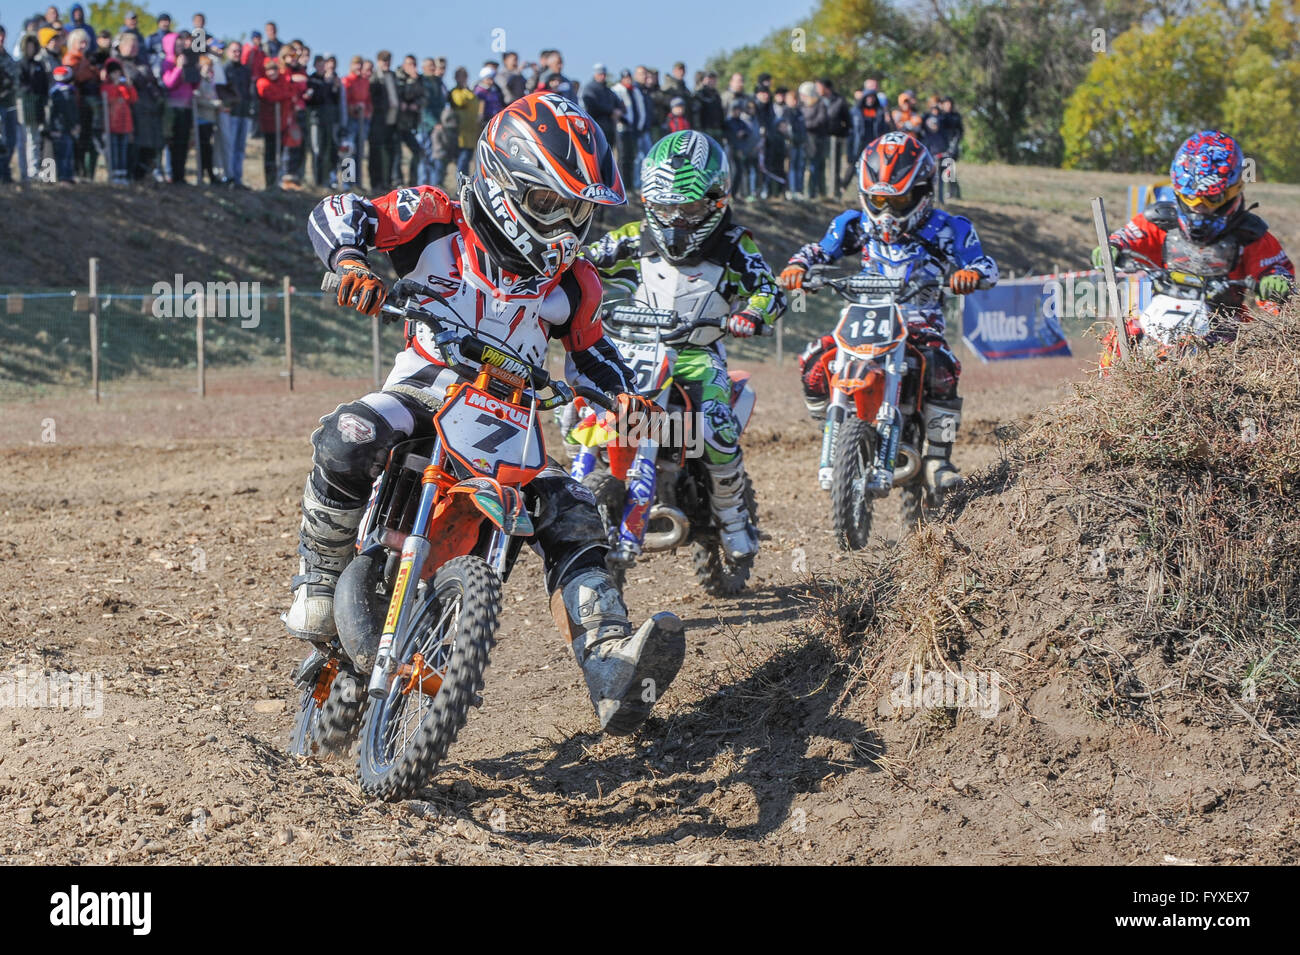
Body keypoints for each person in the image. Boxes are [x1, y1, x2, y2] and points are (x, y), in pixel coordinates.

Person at [293, 91, 684, 735]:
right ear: (506, 185)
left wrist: (624, 396)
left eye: (578, 211)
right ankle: (317, 581)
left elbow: (592, 354)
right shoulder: (435, 220)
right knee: (351, 434)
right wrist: (350, 260)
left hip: (511, 427)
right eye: (551, 204)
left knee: (576, 509)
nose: (564, 226)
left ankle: (610, 661)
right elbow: (342, 210)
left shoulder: (573, 282)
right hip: (425, 392)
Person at [584, 130, 786, 561]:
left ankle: (733, 519)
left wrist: (751, 313)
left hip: (698, 354)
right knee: (581, 404)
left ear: (716, 198)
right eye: (664, 207)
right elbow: (582, 260)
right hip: (635, 350)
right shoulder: (634, 236)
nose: (676, 219)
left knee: (714, 424)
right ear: (647, 203)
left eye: (689, 207)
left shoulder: (734, 244)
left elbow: (771, 290)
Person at [780, 132, 999, 498]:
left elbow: (985, 264)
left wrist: (970, 274)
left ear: (923, 191)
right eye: (878, 199)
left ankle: (938, 460)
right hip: (863, 316)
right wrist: (798, 266)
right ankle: (835, 428)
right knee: (814, 360)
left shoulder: (949, 228)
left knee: (941, 364)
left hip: (919, 317)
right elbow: (819, 251)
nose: (886, 212)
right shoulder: (855, 225)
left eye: (897, 200)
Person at [1092, 130, 1293, 362]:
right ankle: (1110, 392)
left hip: (1225, 327)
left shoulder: (1251, 234)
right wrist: (1110, 248)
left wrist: (1274, 281)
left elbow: (1277, 270)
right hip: (1162, 310)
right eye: (1191, 198)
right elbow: (1125, 238)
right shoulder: (1161, 221)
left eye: (1211, 199)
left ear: (1233, 191)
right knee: (1122, 337)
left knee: (1244, 361)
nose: (1199, 207)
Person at [256, 55, 292, 189]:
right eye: (269, 70)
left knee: (281, 153)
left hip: (281, 123)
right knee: (270, 154)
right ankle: (270, 183)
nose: (272, 73)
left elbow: (289, 92)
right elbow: (271, 96)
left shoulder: (282, 81)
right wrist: (283, 96)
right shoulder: (262, 83)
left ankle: (279, 181)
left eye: (274, 69)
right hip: (268, 124)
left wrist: (283, 95)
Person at [102, 58, 137, 183]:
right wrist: (115, 85)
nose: (116, 75)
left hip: (125, 124)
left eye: (118, 72)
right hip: (112, 125)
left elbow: (133, 98)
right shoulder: (106, 86)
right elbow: (108, 98)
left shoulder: (124, 87)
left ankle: (122, 174)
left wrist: (129, 84)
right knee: (114, 150)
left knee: (123, 149)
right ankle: (114, 174)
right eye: (113, 73)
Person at [448, 66, 477, 176]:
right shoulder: (455, 91)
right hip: (460, 132)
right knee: (462, 160)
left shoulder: (469, 91)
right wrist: (465, 91)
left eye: (465, 76)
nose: (463, 79)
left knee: (468, 159)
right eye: (460, 76)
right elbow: (459, 101)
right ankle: (460, 183)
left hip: (471, 131)